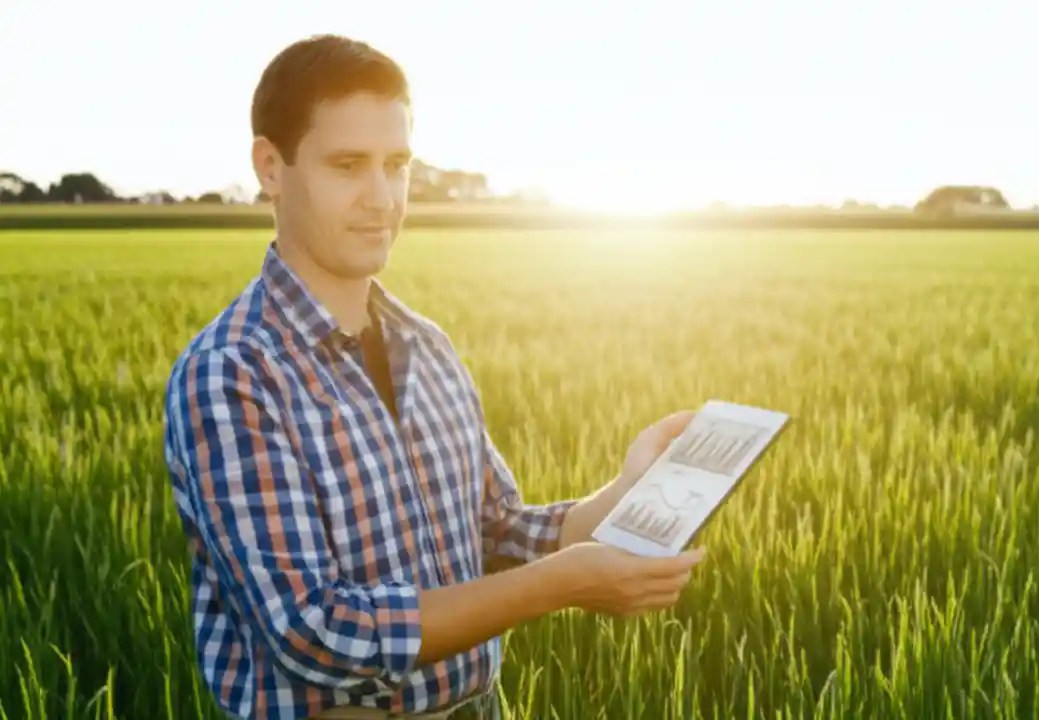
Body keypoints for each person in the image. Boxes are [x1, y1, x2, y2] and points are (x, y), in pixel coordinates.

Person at [162, 33, 706, 720]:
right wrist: (561, 585)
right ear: (271, 167)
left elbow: (498, 534)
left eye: (397, 165)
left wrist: (626, 496)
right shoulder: (232, 373)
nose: (381, 198)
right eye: (348, 166)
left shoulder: (427, 346)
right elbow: (314, 633)